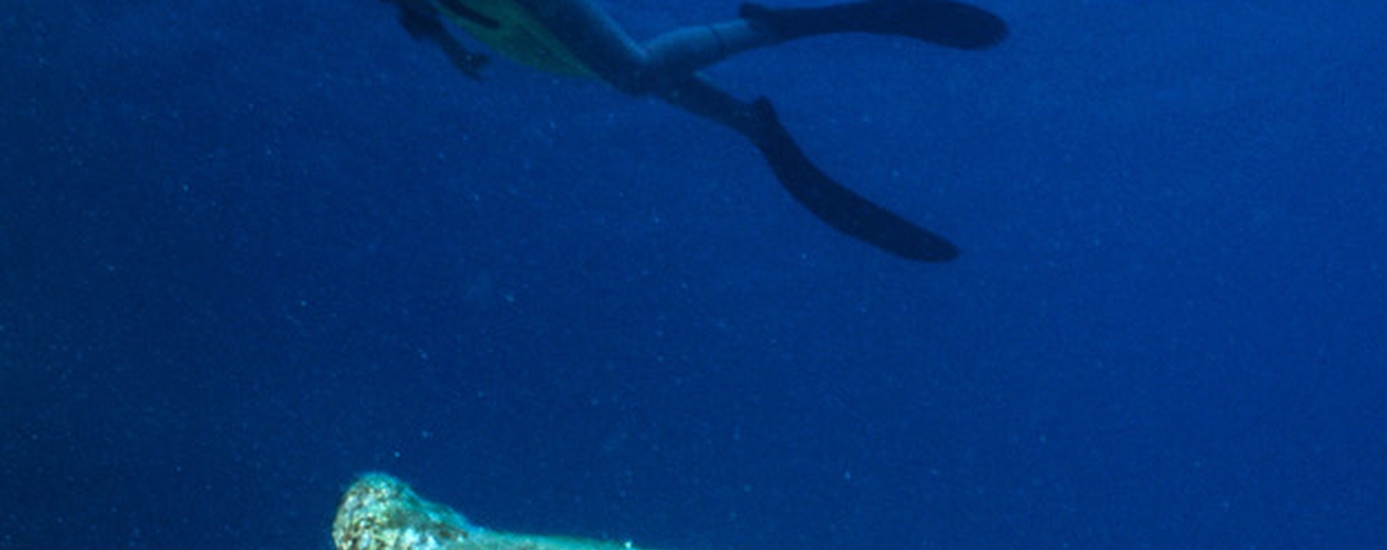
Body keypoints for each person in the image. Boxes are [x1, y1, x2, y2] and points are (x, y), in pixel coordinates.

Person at [383, 0, 1008, 260]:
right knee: (629, 76)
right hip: (500, 28)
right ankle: (747, 122)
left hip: (527, 10)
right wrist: (448, 48)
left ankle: (783, 25)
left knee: (631, 73)